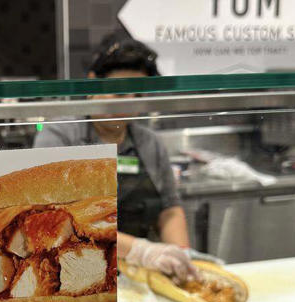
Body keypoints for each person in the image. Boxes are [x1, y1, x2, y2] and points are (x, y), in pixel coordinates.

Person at [34, 33, 199, 282]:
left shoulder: (150, 143)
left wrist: (180, 256)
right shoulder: (59, 136)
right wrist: (140, 250)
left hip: (141, 277)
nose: (129, 104)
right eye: (120, 93)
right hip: (76, 276)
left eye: (138, 96)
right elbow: (55, 219)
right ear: (93, 84)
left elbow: (169, 208)